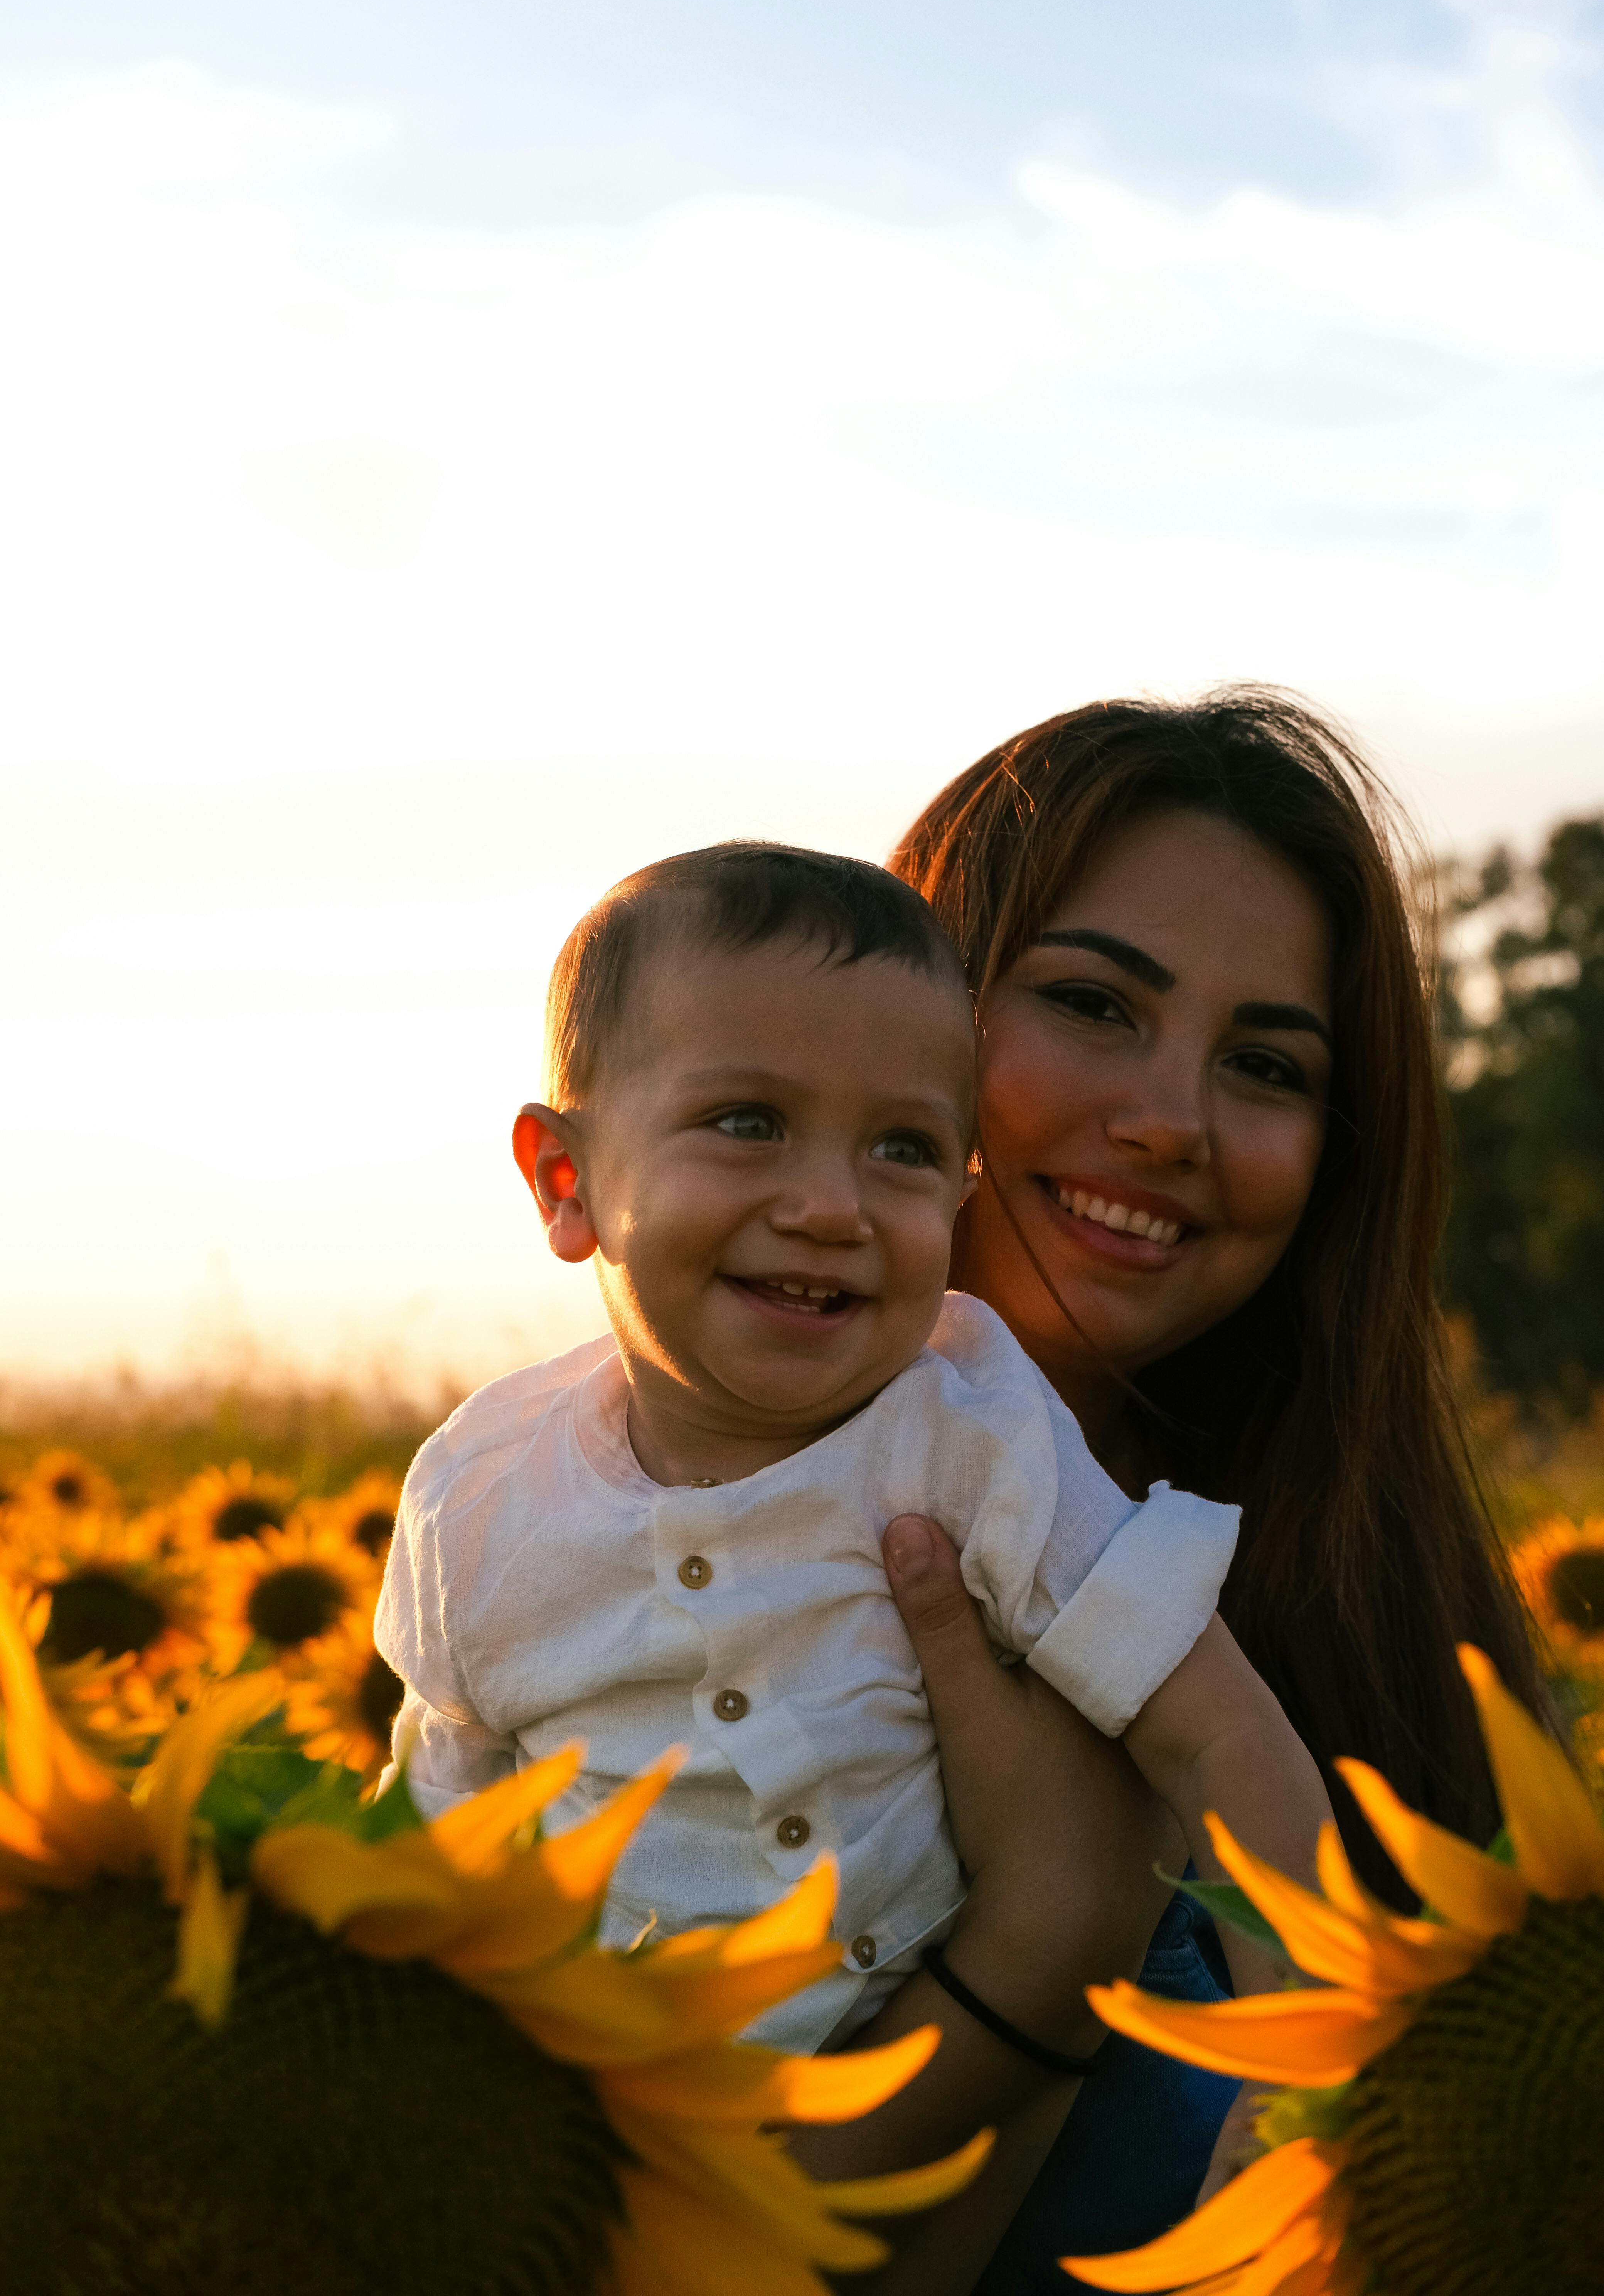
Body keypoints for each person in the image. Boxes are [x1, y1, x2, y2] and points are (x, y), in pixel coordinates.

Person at [375, 839, 1329, 2066]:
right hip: (635, 2135)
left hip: (1031, 2115)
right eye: (748, 1123)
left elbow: (1220, 1738)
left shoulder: (972, 1435)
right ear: (568, 1180)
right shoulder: (481, 1498)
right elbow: (443, 1845)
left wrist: (1304, 2069)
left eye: (904, 1150)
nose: (833, 1205)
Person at [848, 687, 1551, 2289]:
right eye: (1092, 1004)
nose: (1167, 1121)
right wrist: (1049, 1936)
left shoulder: (1385, 1640)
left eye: (1263, 1064)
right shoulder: (606, 1543)